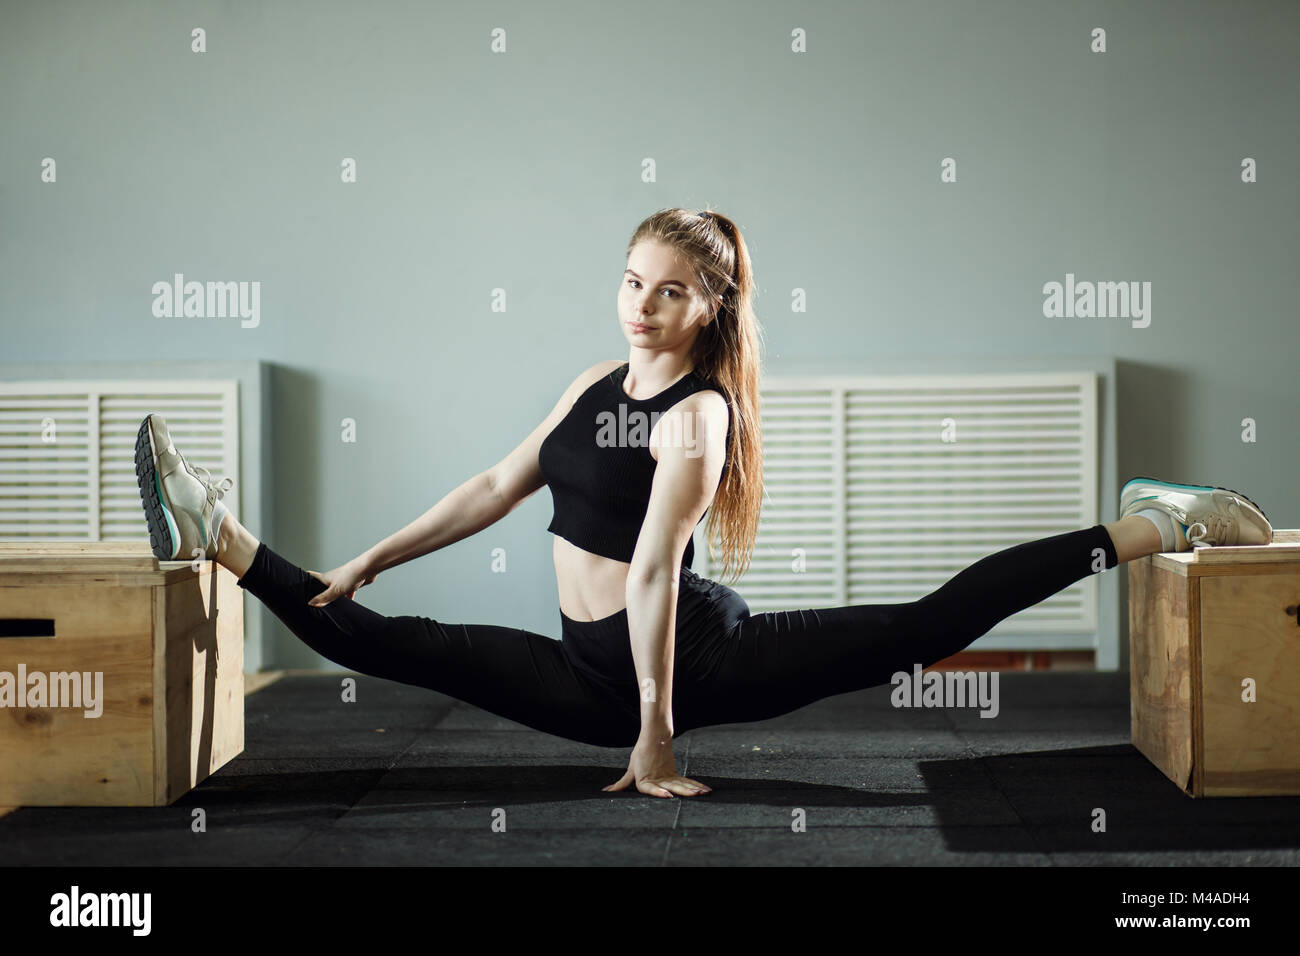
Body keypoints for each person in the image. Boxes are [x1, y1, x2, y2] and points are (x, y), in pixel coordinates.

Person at [134, 206, 1274, 801]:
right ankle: (217, 532)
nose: (641, 306)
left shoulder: (698, 415)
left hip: (691, 653)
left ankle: (1151, 526)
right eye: (632, 281)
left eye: (669, 292)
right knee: (376, 632)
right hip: (586, 663)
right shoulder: (592, 383)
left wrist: (655, 731)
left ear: (709, 306)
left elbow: (648, 576)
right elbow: (495, 481)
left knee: (923, 627)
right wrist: (377, 551)